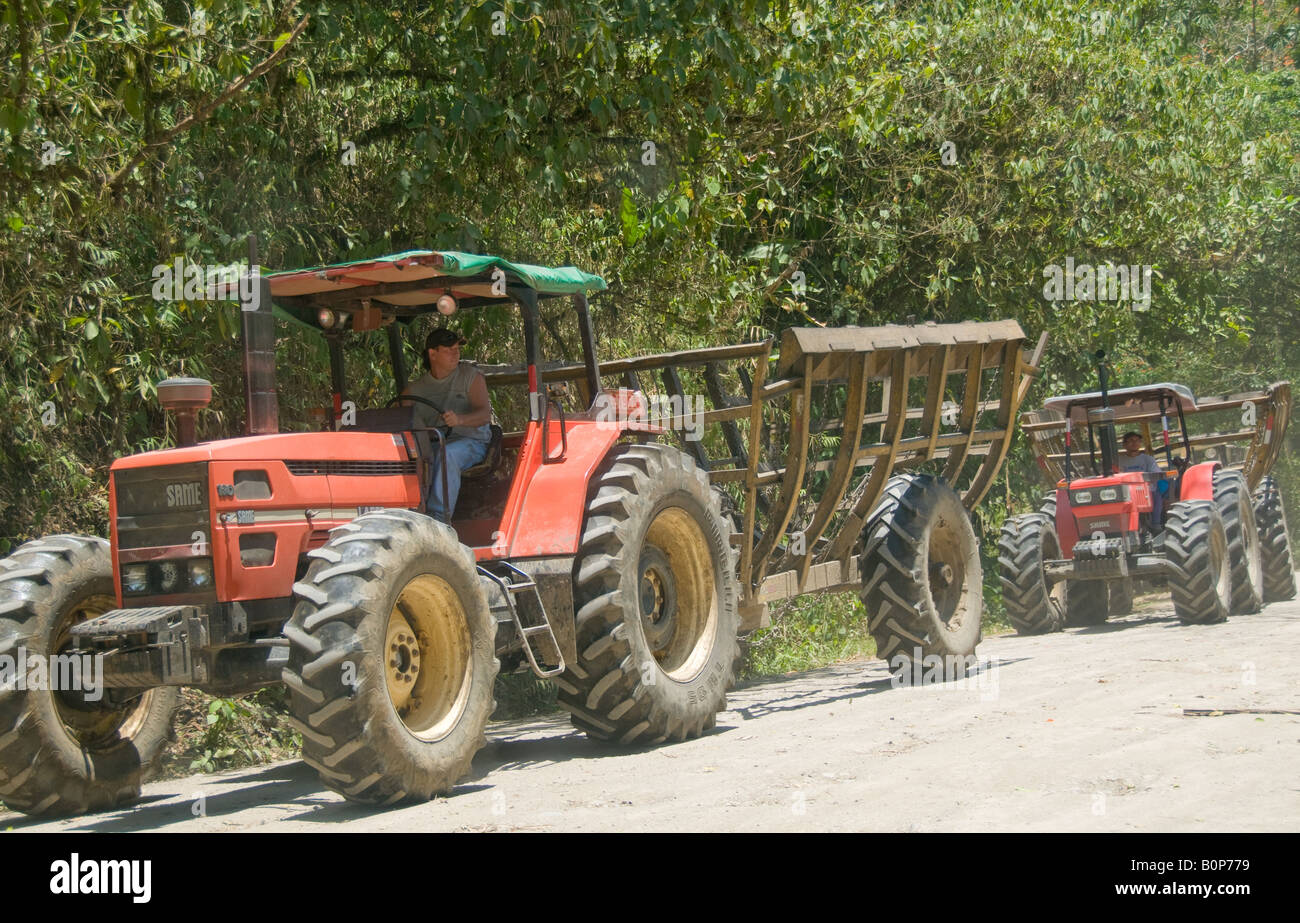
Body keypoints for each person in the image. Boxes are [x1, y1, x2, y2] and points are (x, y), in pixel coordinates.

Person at [401, 328, 493, 521]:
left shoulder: (471, 376)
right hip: (432, 444)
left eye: (457, 348)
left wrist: (460, 420)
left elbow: (485, 414)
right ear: (432, 354)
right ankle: (404, 510)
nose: (456, 353)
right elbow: (400, 419)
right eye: (449, 350)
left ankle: (438, 518)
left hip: (471, 442)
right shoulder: (414, 389)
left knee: (447, 453)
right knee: (406, 454)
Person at [1119, 431, 1164, 525]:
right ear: (1124, 445)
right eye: (1131, 441)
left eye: (1137, 440)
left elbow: (1156, 473)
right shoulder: (1119, 461)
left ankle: (1156, 524)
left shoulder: (1148, 459)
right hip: (1127, 492)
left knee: (1156, 494)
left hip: (1147, 490)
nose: (1134, 443)